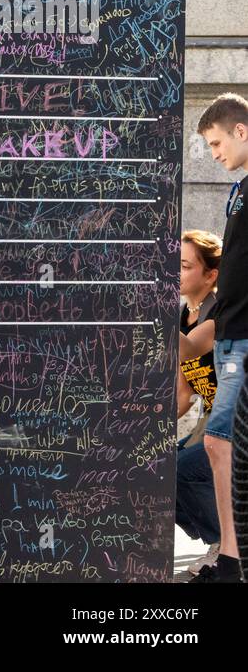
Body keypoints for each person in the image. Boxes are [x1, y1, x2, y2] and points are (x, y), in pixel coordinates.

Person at [195, 92, 248, 582]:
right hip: (230, 335)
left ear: (241, 131)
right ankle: (230, 558)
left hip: (244, 340)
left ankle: (232, 561)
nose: (214, 154)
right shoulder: (238, 191)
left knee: (219, 442)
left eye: (216, 143)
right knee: (222, 445)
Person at [175, 230, 221, 577]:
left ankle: (225, 545)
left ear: (210, 275)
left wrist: (141, 305)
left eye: (185, 266)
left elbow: (189, 348)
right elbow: (182, 395)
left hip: (236, 423)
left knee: (183, 469)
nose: (175, 272)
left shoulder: (222, 312)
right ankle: (215, 536)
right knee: (155, 465)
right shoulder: (181, 316)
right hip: (213, 420)